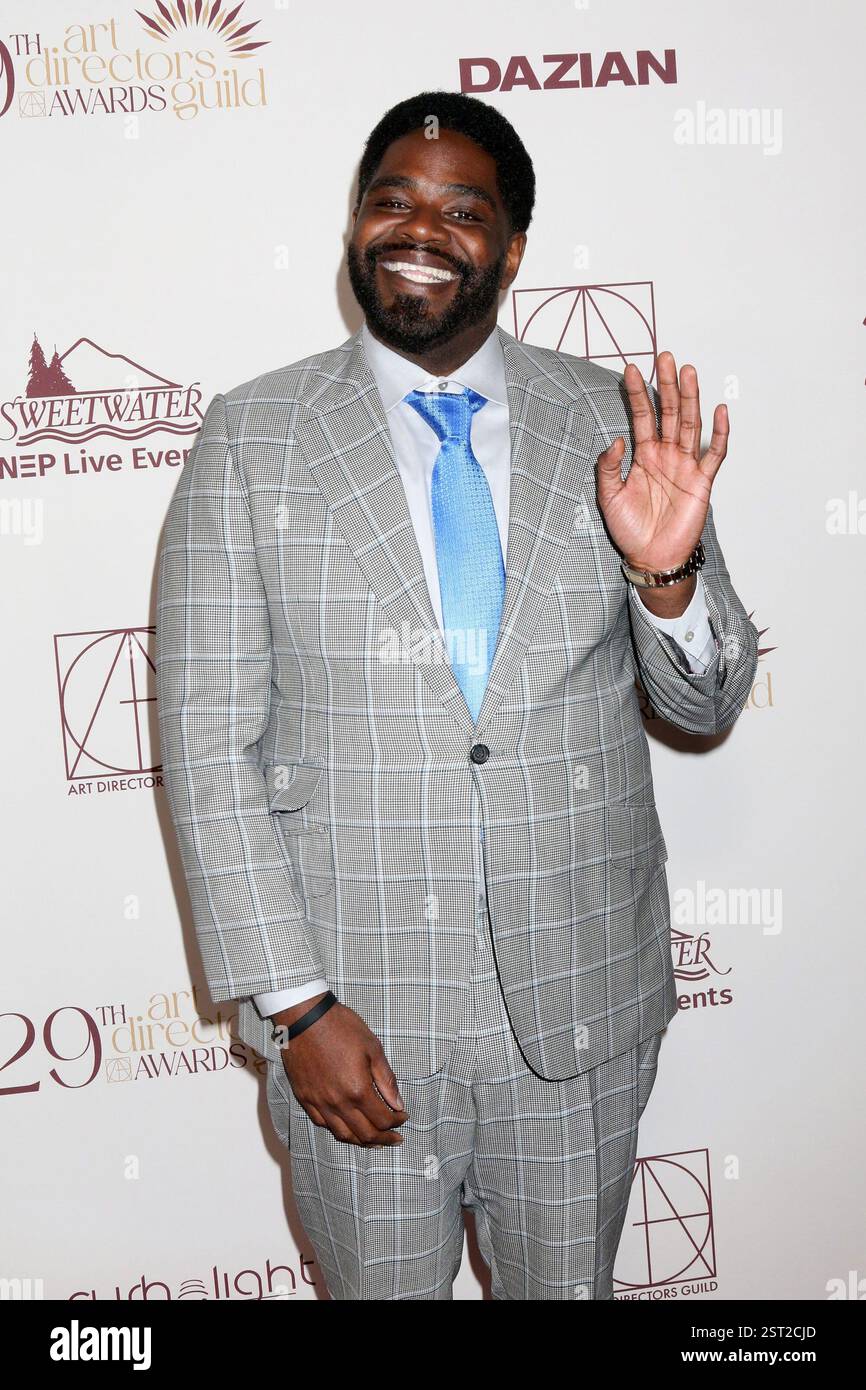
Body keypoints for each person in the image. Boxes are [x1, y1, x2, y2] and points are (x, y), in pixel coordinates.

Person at [155, 90, 758, 1301]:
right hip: (353, 1019)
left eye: (459, 209)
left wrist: (667, 571)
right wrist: (295, 1002)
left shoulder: (611, 419)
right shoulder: (251, 436)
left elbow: (702, 704)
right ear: (353, 221)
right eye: (389, 199)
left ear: (512, 248)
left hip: (576, 1014)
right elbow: (206, 745)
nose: (415, 228)